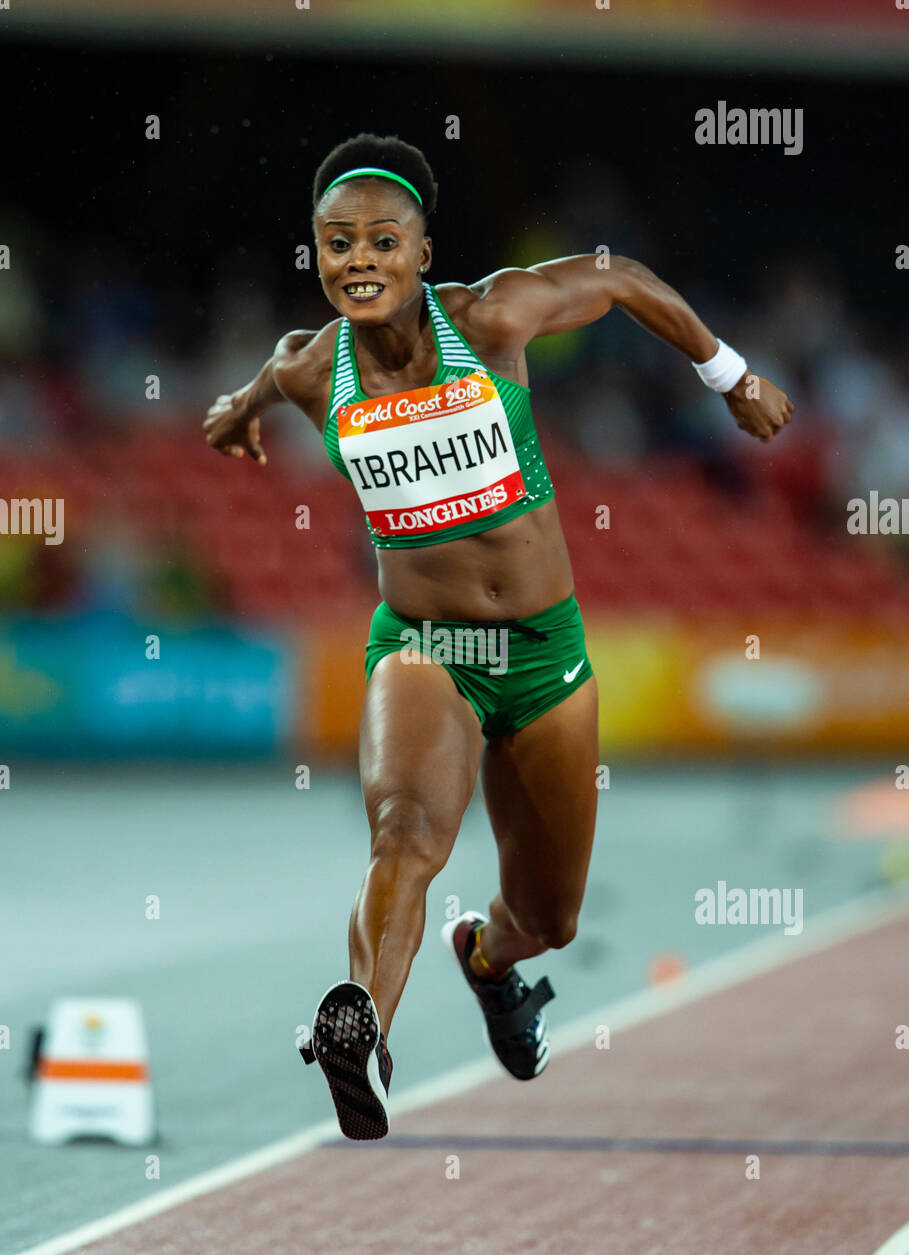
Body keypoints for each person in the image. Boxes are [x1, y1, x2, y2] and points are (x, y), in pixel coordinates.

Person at [204, 133, 794, 1141]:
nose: (358, 262)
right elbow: (261, 381)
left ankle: (486, 956)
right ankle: (364, 1039)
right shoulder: (313, 370)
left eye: (382, 242)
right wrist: (231, 412)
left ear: (423, 254)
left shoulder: (494, 313)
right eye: (336, 243)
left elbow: (619, 277)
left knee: (550, 918)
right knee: (405, 833)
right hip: (426, 648)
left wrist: (728, 374)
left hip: (544, 655)